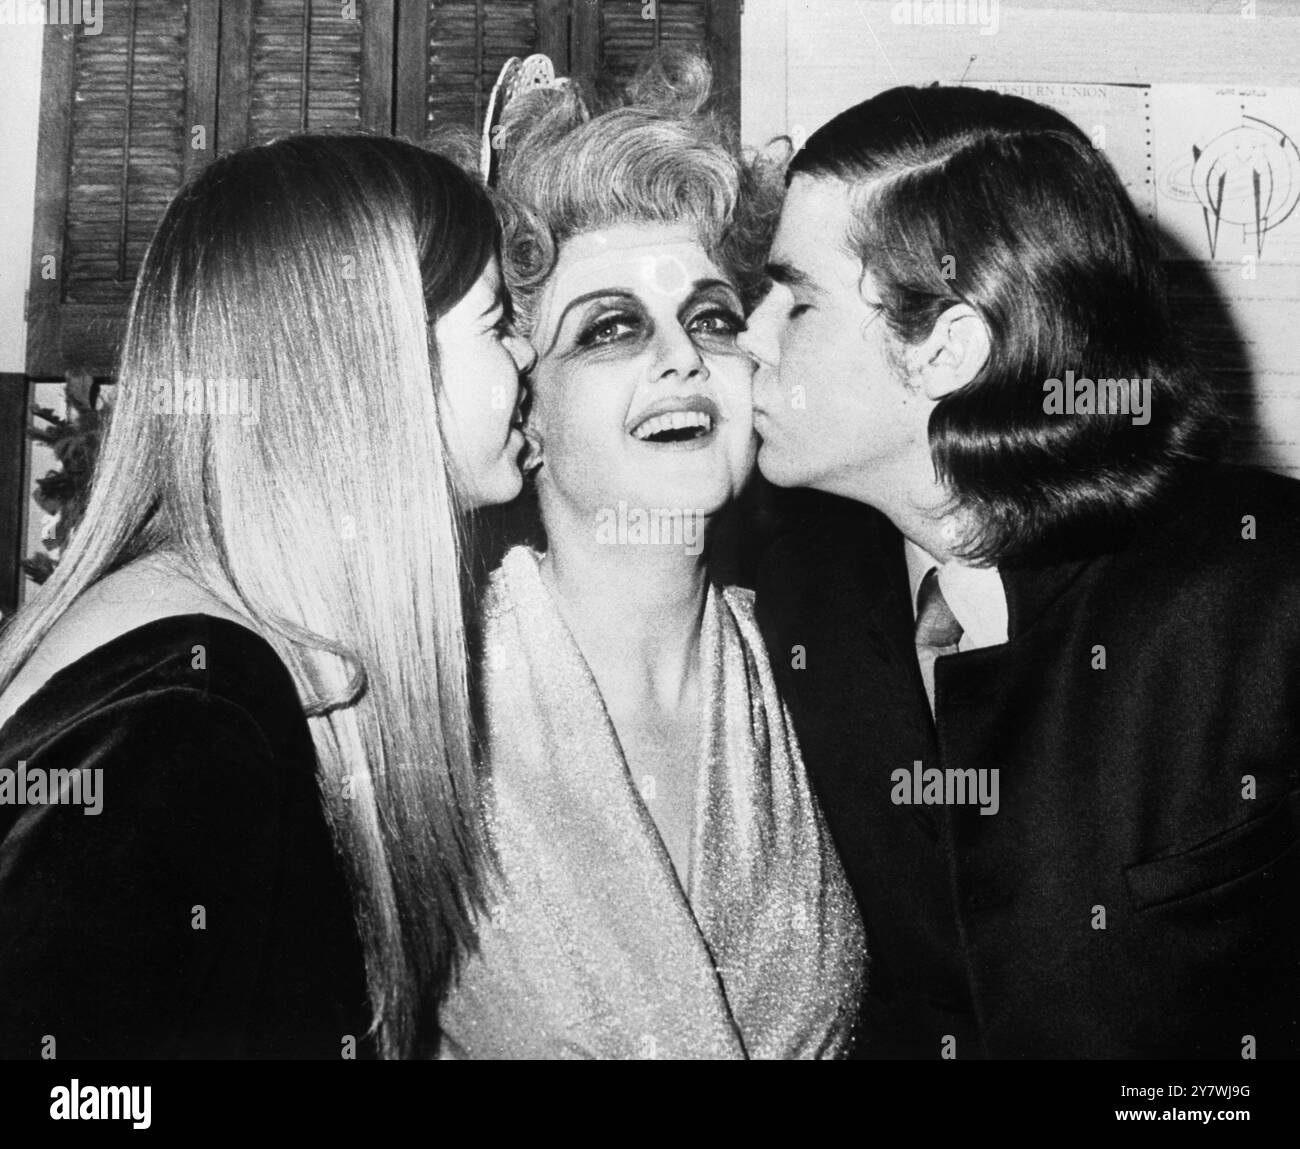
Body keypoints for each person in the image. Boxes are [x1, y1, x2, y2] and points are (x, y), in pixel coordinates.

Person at [741, 84, 1300, 1059]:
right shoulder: (780, 601)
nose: (747, 335)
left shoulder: (1265, 589)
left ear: (946, 349)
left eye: (795, 301)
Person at [0, 134, 535, 1059]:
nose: (527, 353)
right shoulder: (192, 721)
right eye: (495, 322)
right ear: (375, 371)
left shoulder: (220, 651)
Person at [436, 53, 865, 1059]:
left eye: (709, 318)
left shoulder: (832, 672)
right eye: (611, 329)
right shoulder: (431, 699)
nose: (681, 359)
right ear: (523, 405)